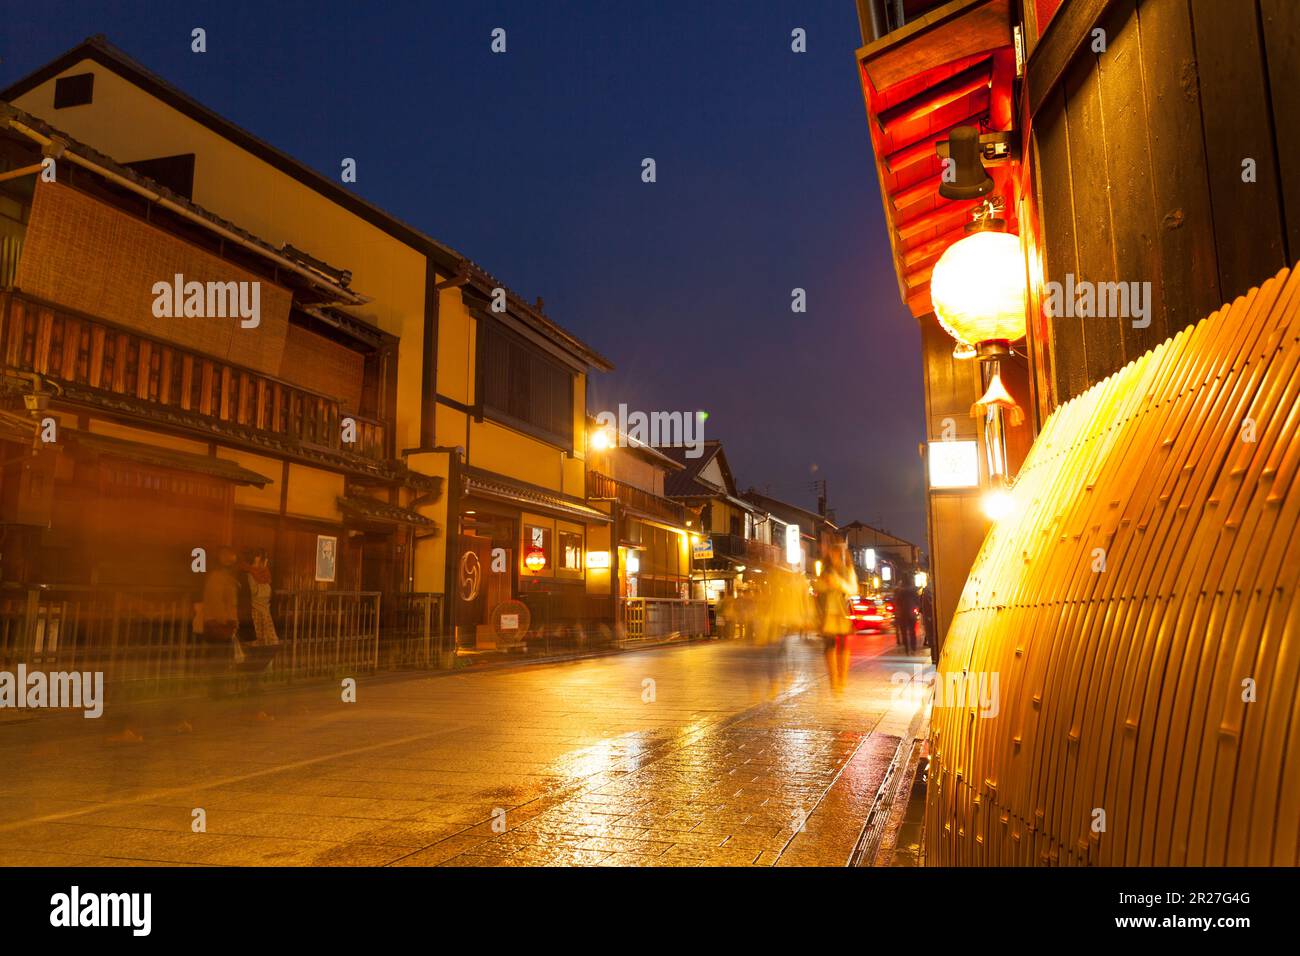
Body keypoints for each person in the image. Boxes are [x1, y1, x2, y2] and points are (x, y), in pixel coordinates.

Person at [814, 540, 858, 695]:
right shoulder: (825, 571)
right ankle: (834, 680)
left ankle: (842, 678)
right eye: (833, 554)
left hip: (842, 612)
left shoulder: (848, 571)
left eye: (838, 554)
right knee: (829, 645)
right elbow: (818, 588)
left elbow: (853, 589)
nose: (835, 557)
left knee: (843, 644)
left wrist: (837, 583)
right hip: (828, 612)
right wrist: (826, 584)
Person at [243, 548, 279, 645]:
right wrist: (265, 590)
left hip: (264, 610)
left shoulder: (264, 573)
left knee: (268, 641)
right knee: (260, 640)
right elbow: (256, 592)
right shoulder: (249, 573)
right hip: (255, 611)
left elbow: (267, 591)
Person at [894, 581, 920, 655]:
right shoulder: (913, 591)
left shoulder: (900, 591)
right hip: (911, 613)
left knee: (904, 632)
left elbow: (897, 602)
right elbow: (918, 601)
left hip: (903, 614)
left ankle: (907, 649)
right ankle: (913, 648)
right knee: (912, 631)